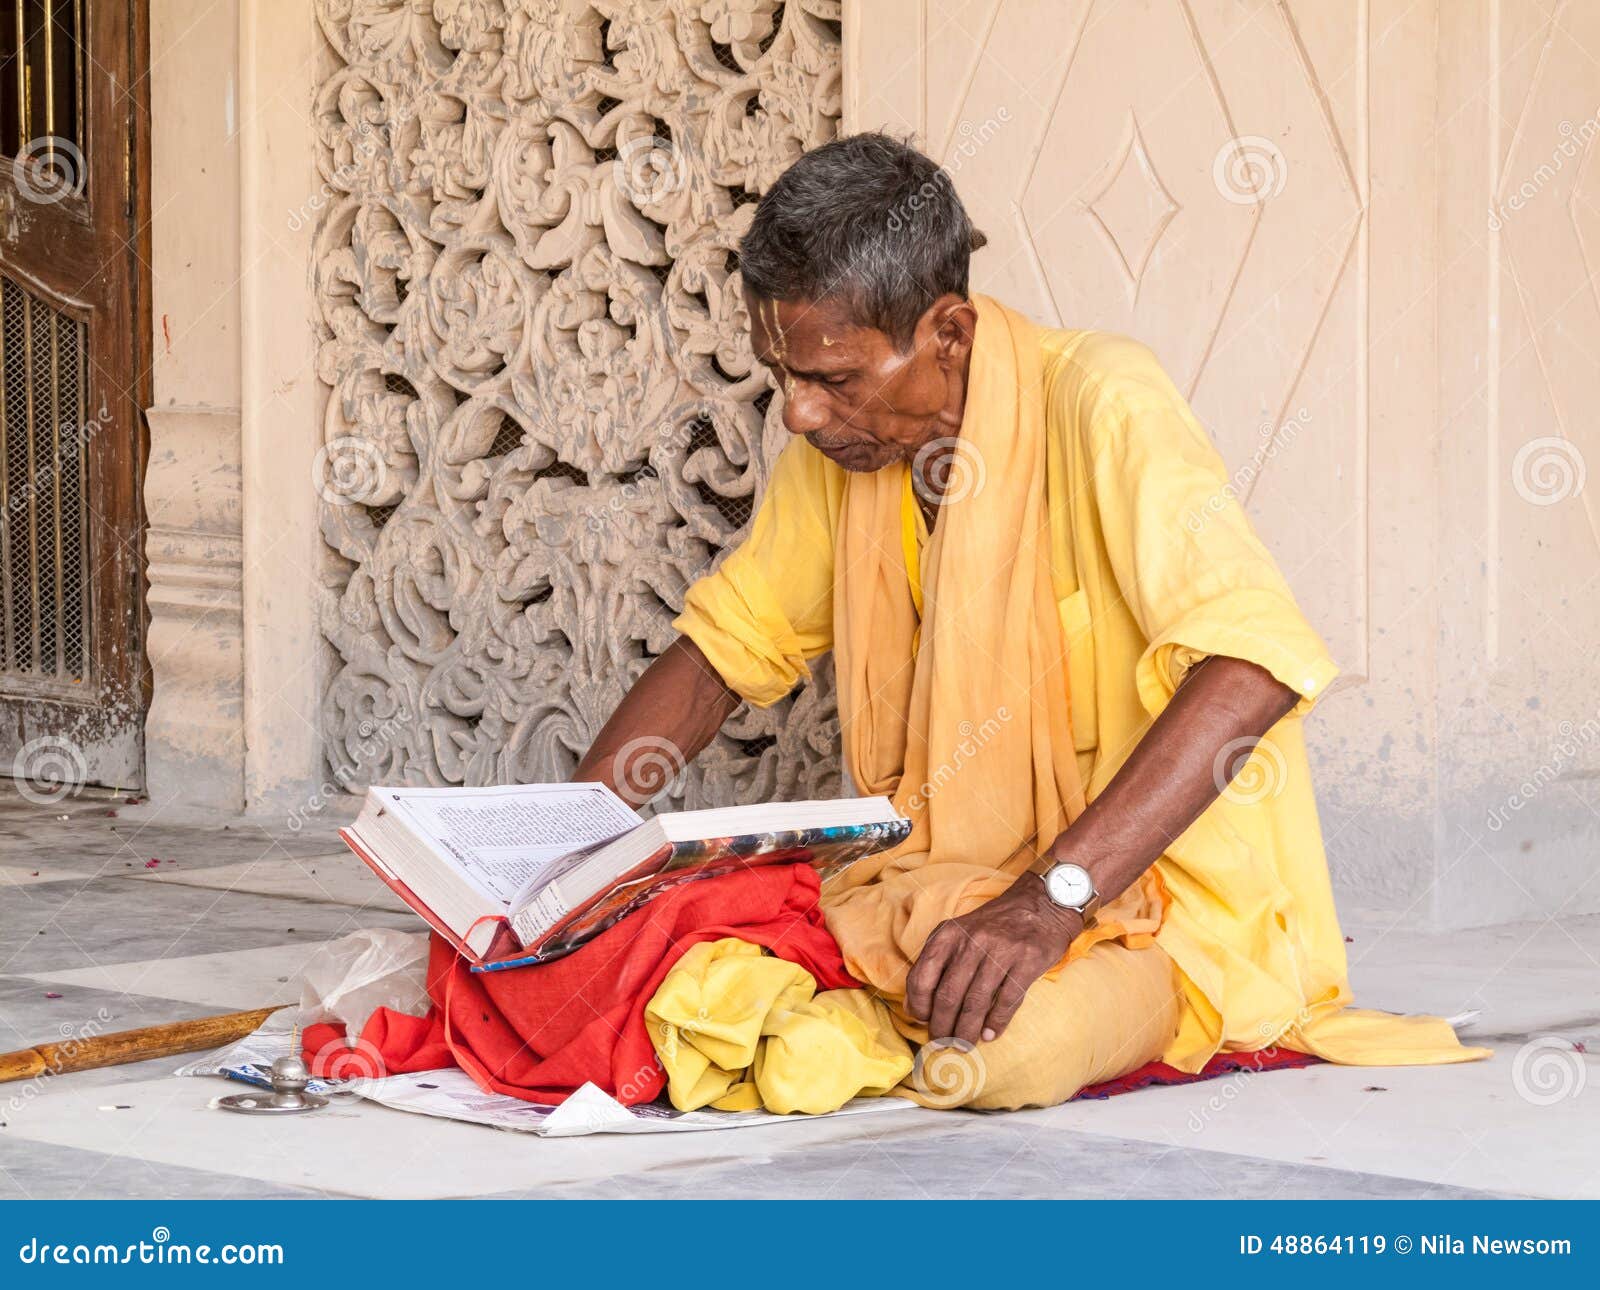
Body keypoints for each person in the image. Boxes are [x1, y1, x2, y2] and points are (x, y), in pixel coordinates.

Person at [575, 132, 1485, 1109]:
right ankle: (843, 1022)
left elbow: (1248, 668)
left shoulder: (1102, 399)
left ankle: (840, 1027)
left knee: (1004, 1059)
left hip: (1153, 912)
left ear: (950, 335)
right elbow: (723, 651)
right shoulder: (844, 454)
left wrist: (1046, 903)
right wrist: (557, 849)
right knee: (599, 950)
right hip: (932, 888)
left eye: (834, 379)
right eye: (780, 375)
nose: (797, 414)